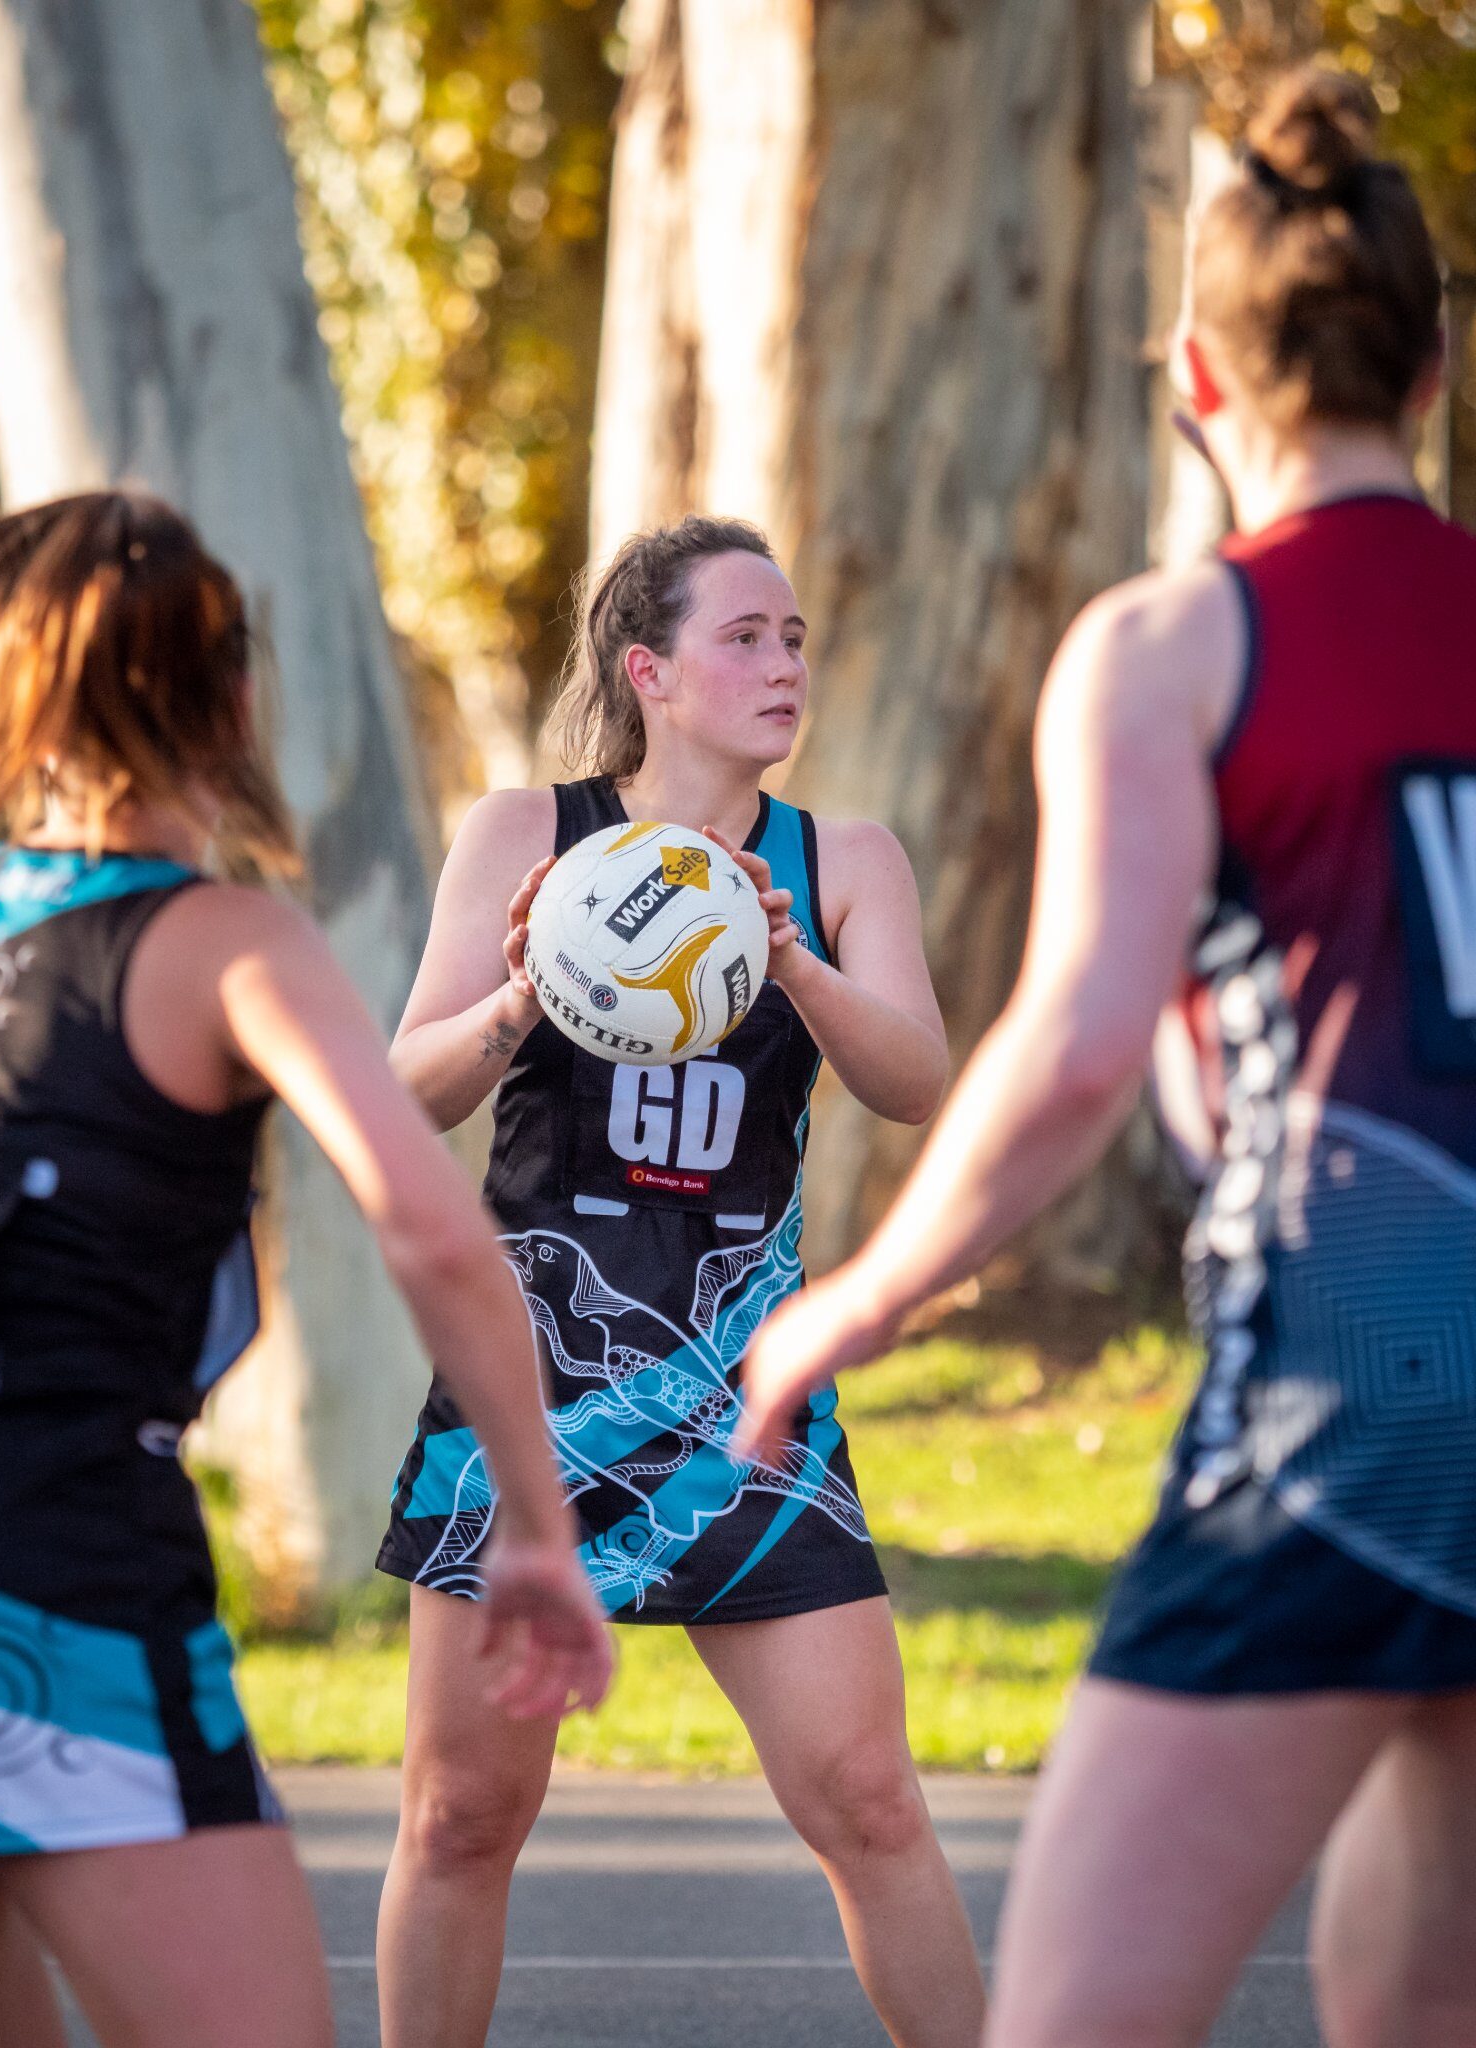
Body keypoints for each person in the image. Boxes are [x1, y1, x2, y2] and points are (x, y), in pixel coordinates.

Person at [737, 67, 1476, 2048]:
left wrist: (848, 1309)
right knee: (1423, 2000)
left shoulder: (1178, 647)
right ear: (1433, 368)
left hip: (1355, 1387)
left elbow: (1078, 1053)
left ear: (1195, 380)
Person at [0, 491, 611, 2048]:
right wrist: (536, 1525)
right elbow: (432, 1228)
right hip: (57, 1570)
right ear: (229, 693)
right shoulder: (229, 942)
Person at [374, 514, 986, 2048]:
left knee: (868, 1798)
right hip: (532, 1380)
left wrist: (796, 962)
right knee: (461, 1815)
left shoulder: (842, 860)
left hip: (743, 1390)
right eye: (746, 637)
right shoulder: (528, 835)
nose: (786, 665)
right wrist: (524, 993)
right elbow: (406, 1090)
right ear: (649, 673)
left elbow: (918, 1081)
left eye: (796, 639)